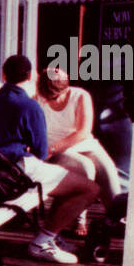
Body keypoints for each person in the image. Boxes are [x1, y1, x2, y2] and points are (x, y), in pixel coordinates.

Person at [0, 55, 98, 264]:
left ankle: (51, 237)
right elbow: (40, 153)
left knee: (65, 182)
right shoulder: (30, 106)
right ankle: (43, 242)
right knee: (89, 189)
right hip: (17, 171)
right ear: (30, 76)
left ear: (4, 74)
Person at [35, 66, 121, 235]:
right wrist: (48, 149)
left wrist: (53, 148)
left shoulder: (80, 95)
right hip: (56, 150)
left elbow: (83, 131)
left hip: (81, 144)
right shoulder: (37, 99)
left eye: (55, 95)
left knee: (109, 176)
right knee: (86, 168)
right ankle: (79, 219)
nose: (53, 100)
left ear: (66, 88)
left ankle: (117, 221)